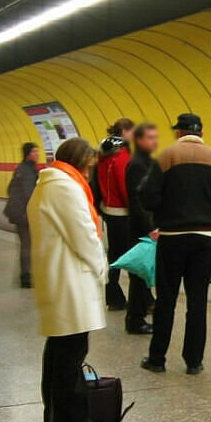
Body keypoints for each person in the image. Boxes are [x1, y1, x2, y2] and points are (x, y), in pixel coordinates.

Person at [139, 113, 211, 375]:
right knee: (198, 302)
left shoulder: (166, 157)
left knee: (166, 300)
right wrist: (208, 208)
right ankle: (193, 361)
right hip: (203, 239)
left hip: (172, 238)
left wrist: (167, 206)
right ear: (201, 132)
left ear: (178, 133)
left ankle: (157, 359)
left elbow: (148, 197)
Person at [28, 138, 109, 422]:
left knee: (59, 351)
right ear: (78, 162)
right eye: (88, 168)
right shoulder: (64, 187)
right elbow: (85, 236)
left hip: (58, 278)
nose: (89, 175)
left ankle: (55, 415)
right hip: (70, 280)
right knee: (71, 354)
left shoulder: (48, 184)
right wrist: (102, 268)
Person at [96, 118, 135, 310]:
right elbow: (124, 186)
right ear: (124, 131)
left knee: (115, 255)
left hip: (109, 211)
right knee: (135, 255)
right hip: (123, 212)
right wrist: (136, 209)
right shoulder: (122, 156)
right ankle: (142, 300)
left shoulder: (104, 156)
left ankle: (113, 296)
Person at [123, 122, 159, 334]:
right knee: (138, 277)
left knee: (143, 276)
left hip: (144, 229)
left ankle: (139, 314)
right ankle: (134, 320)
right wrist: (150, 228)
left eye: (156, 137)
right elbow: (137, 201)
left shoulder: (147, 162)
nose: (155, 141)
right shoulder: (137, 164)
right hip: (140, 231)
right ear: (138, 140)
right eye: (149, 137)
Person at [4, 142, 40, 288]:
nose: (37, 154)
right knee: (27, 245)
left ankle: (28, 274)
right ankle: (25, 277)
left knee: (27, 244)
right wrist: (28, 211)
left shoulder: (23, 168)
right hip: (24, 213)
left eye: (37, 151)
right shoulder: (27, 170)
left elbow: (10, 189)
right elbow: (28, 193)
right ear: (27, 154)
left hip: (20, 212)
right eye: (34, 152)